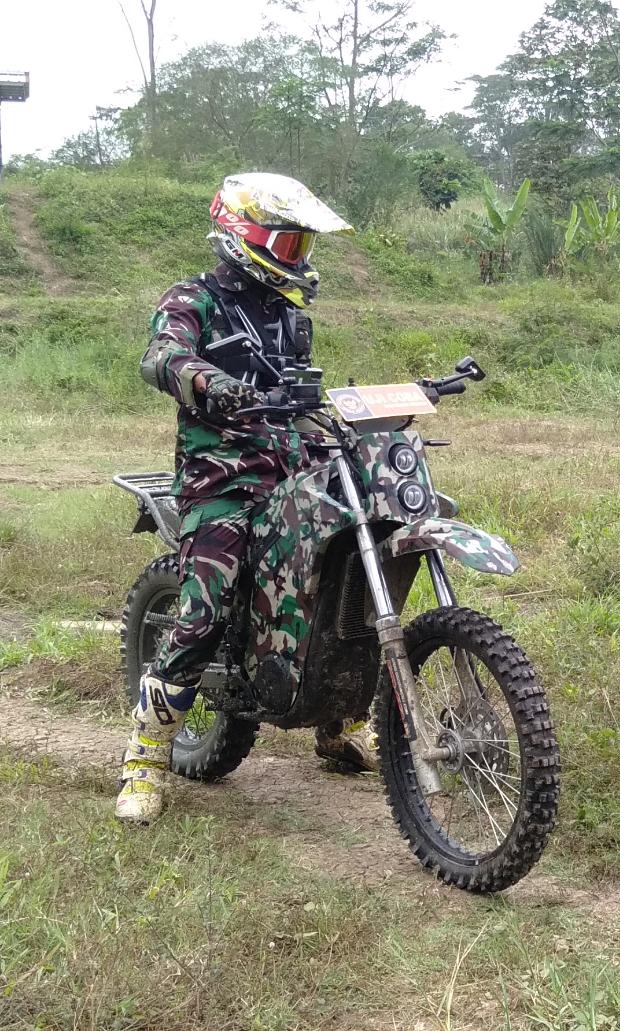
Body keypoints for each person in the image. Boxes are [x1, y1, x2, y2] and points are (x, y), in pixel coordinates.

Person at [116, 172, 375, 824]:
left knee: (344, 576)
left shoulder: (289, 316)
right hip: (221, 480)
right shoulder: (193, 299)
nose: (297, 257)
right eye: (287, 244)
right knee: (206, 609)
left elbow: (299, 396)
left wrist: (342, 424)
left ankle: (339, 721)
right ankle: (146, 757)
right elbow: (161, 357)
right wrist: (212, 382)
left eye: (302, 246)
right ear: (243, 236)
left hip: (294, 467)